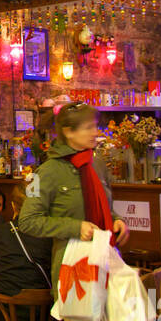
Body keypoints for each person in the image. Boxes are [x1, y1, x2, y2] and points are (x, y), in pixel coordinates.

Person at [18, 101, 129, 297]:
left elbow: (103, 206)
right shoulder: (45, 172)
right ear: (69, 132)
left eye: (96, 126)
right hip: (73, 274)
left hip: (106, 265)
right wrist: (75, 228)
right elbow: (27, 221)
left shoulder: (98, 165)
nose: (96, 132)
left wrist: (117, 220)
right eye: (89, 127)